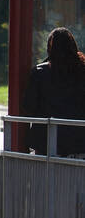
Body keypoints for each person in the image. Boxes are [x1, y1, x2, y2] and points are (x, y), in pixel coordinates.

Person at [21, 26, 85, 156]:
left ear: (50, 48)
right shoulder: (82, 70)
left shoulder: (40, 72)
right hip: (80, 142)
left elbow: (29, 106)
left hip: (47, 142)